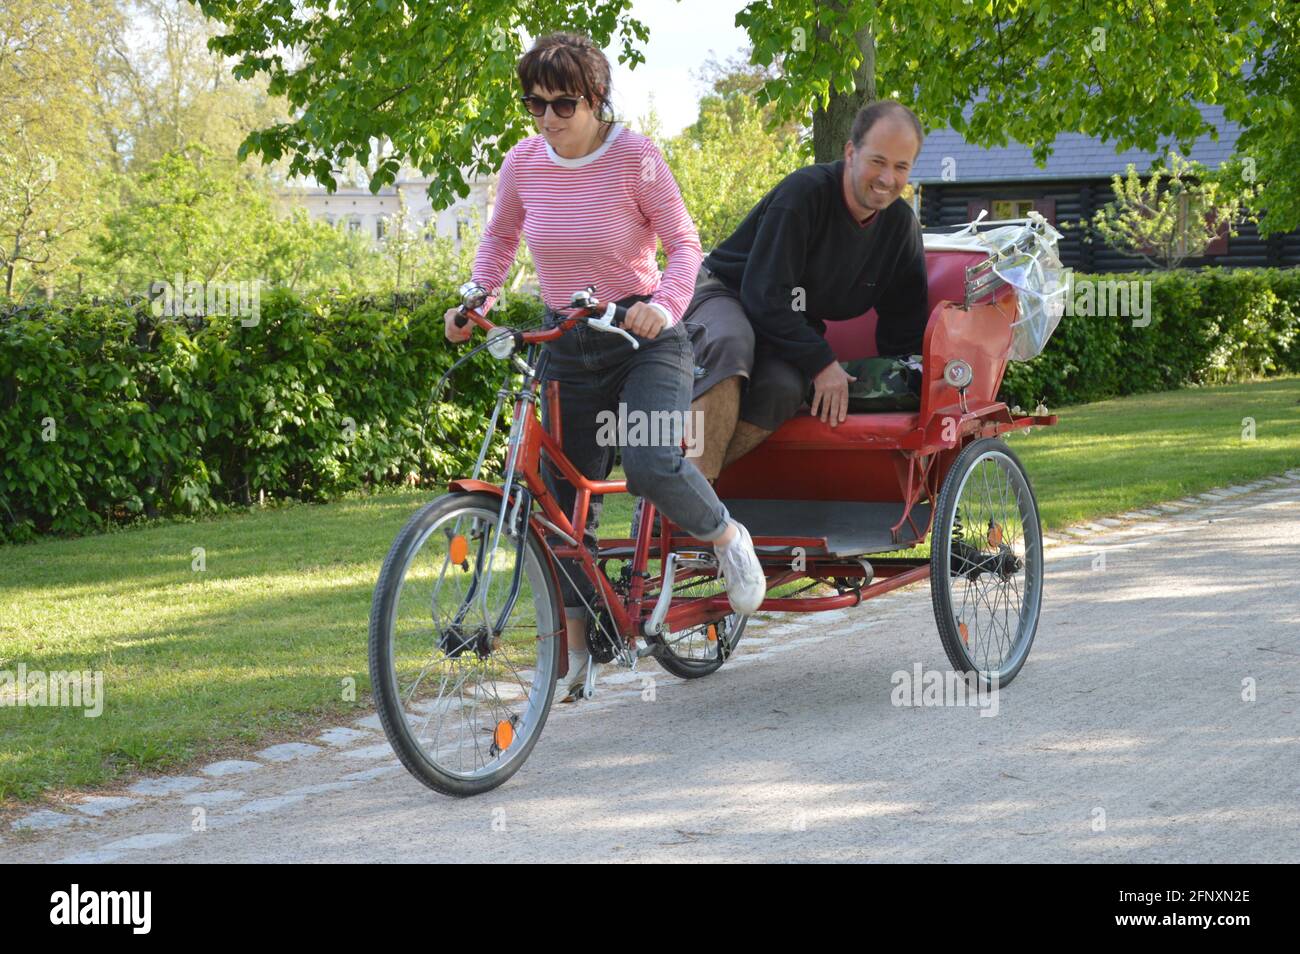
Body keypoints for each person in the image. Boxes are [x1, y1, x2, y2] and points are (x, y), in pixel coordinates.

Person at [444, 33, 766, 700]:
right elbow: (500, 239)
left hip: (643, 339)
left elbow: (684, 246)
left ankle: (729, 537)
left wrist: (666, 307)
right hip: (569, 339)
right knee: (558, 505)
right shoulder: (522, 163)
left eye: (563, 104)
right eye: (534, 103)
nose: (547, 119)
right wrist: (476, 297)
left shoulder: (635, 158)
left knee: (649, 462)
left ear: (595, 99)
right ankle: (583, 641)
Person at [682, 100, 930, 481]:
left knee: (784, 386)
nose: (887, 178)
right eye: (878, 161)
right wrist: (821, 362)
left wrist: (908, 382)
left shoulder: (900, 228)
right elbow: (763, 294)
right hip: (726, 291)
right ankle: (683, 506)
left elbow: (905, 322)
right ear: (851, 152)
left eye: (901, 167)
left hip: (786, 314)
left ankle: (681, 490)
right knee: (732, 344)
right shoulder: (805, 194)